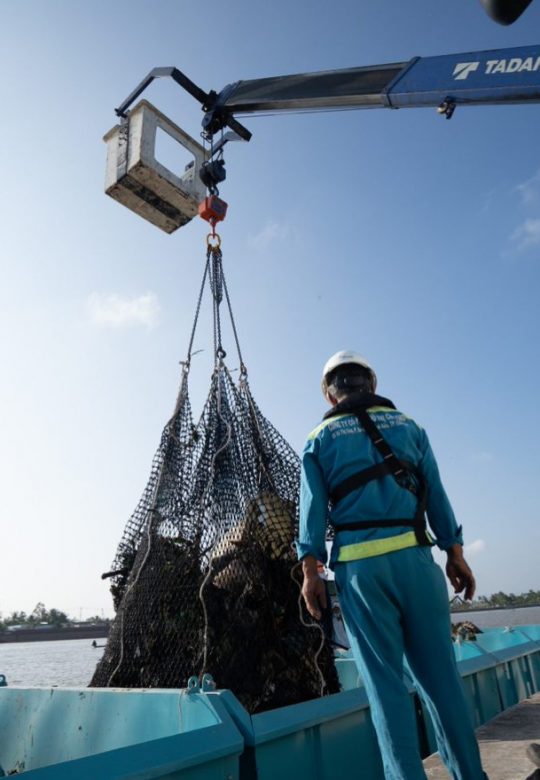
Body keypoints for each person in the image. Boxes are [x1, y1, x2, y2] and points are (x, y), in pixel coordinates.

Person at [296, 350, 487, 780]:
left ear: (331, 395)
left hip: (362, 575)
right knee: (443, 684)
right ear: (373, 385)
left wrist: (311, 574)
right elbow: (436, 493)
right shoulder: (411, 427)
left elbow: (310, 514)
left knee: (386, 692)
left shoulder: (319, 440)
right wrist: (455, 555)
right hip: (417, 564)